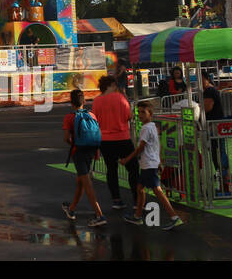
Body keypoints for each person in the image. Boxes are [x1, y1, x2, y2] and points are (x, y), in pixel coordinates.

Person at [121, 101, 185, 229]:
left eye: (143, 112)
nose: (140, 115)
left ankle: (174, 217)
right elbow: (157, 145)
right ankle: (137, 216)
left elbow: (141, 147)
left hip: (149, 164)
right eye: (139, 112)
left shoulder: (146, 128)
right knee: (140, 189)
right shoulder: (153, 127)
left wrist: (127, 159)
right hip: (149, 163)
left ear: (150, 114)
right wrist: (159, 162)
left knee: (157, 190)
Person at [60, 88, 107, 227]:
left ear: (71, 102)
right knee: (81, 181)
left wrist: (73, 143)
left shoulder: (70, 117)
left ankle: (99, 215)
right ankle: (72, 209)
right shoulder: (92, 115)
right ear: (84, 101)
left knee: (86, 183)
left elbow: (66, 138)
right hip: (91, 150)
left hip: (79, 152)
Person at [92, 75, 139, 212]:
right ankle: (136, 199)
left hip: (105, 140)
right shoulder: (120, 98)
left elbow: (95, 120)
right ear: (111, 85)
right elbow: (129, 116)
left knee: (111, 170)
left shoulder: (96, 101)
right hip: (122, 137)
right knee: (133, 168)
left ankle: (116, 199)